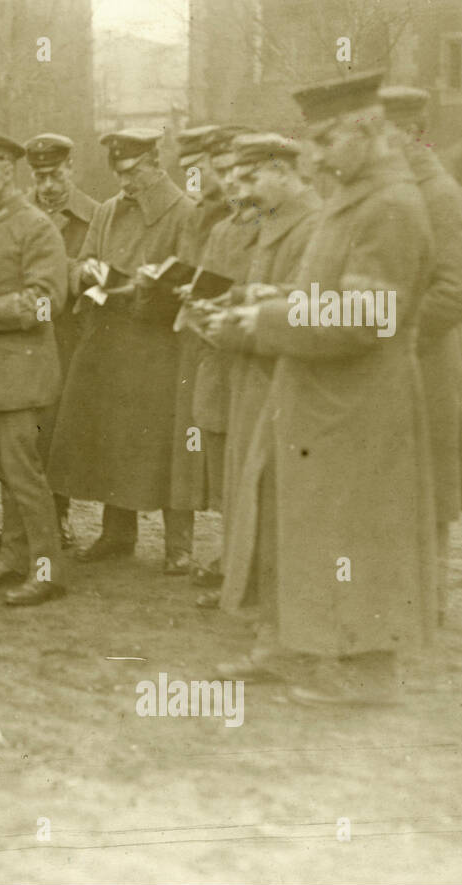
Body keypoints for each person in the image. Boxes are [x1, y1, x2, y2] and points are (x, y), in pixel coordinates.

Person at [208, 71, 437, 706]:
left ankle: (370, 674)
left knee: (357, 532)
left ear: (368, 132)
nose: (314, 155)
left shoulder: (391, 204)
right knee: (295, 518)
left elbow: (368, 315)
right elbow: (333, 293)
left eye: (327, 139)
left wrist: (267, 322)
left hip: (360, 401)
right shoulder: (353, 194)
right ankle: (288, 647)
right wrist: (273, 296)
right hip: (316, 392)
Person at [46, 128, 197, 573]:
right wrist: (87, 271)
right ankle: (117, 533)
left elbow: (191, 281)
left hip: (159, 346)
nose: (126, 183)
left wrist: (147, 287)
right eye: (119, 174)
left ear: (156, 161)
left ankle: (179, 544)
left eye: (133, 172)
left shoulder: (183, 212)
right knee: (114, 438)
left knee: (165, 443)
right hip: (109, 342)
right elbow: (79, 263)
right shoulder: (109, 210)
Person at [211, 133, 322, 620]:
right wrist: (233, 303)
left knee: (275, 494)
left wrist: (246, 309)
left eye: (251, 177)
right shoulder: (278, 218)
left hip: (282, 376)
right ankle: (250, 593)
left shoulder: (312, 224)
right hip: (255, 370)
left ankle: (269, 607)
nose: (244, 189)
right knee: (249, 487)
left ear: (283, 171)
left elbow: (306, 302)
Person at [0, 132, 69, 606]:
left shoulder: (37, 227)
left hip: (21, 378)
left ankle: (48, 571)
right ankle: (13, 556)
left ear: (7, 170)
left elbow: (47, 303)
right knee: (2, 470)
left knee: (24, 475)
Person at [381, 86, 462, 622]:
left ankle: (428, 600)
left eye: (384, 130)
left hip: (426, 365)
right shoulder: (386, 189)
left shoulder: (437, 193)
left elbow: (454, 293)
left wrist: (391, 339)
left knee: (428, 486)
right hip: (390, 366)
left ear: (411, 131)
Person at [170, 127, 260, 592]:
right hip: (215, 359)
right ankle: (232, 559)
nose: (229, 183)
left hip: (253, 361)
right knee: (223, 463)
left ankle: (248, 569)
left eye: (237, 173)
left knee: (253, 466)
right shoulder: (222, 226)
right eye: (221, 172)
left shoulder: (271, 226)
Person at [23, 132, 98, 548]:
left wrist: (68, 274)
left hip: (69, 334)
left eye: (54, 175)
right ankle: (28, 522)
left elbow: (100, 269)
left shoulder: (94, 215)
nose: (47, 185)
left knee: (58, 428)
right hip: (24, 335)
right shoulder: (18, 213)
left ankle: (60, 516)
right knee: (25, 430)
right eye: (39, 176)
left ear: (72, 169)